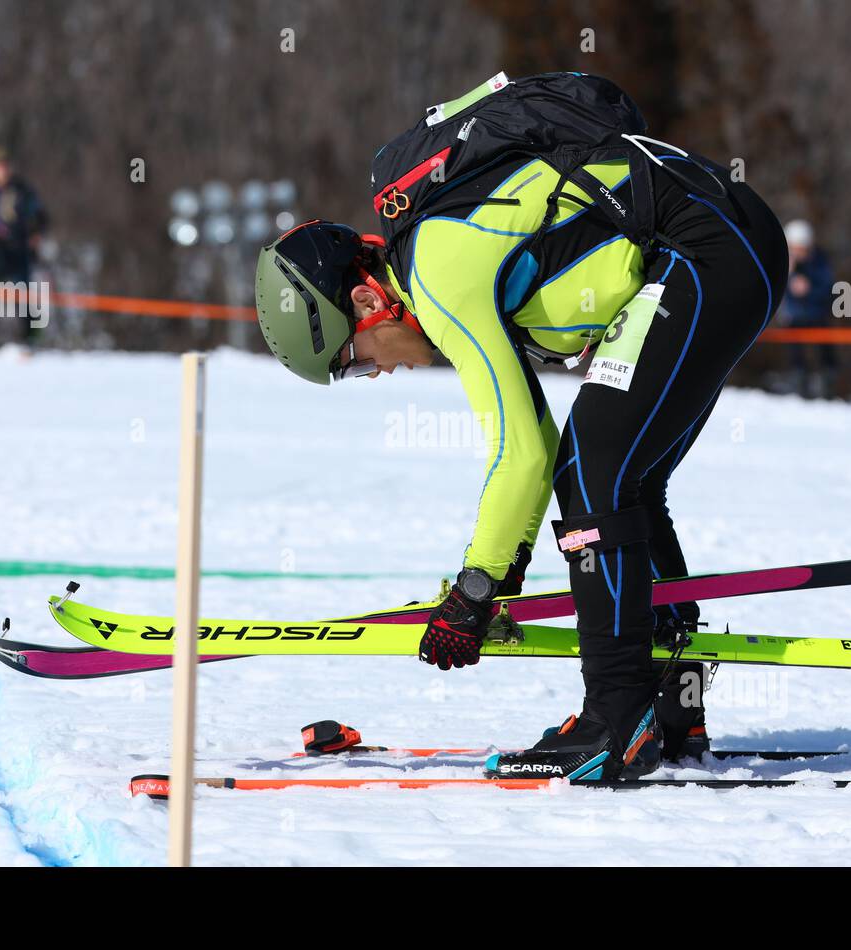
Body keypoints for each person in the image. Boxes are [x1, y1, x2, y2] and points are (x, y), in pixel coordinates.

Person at [254, 72, 787, 781]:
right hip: (724, 239)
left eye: (353, 362)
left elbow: (522, 451)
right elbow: (531, 436)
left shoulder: (437, 274)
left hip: (708, 249)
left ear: (364, 300)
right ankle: (670, 706)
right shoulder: (437, 248)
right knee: (621, 475)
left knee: (596, 465)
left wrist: (475, 592)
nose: (375, 375)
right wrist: (496, 575)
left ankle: (616, 717)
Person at [0, 147, 49, 349]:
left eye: (4, 167)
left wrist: (35, 234)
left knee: (22, 294)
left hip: (18, 249)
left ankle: (30, 339)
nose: (1, 172)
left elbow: (40, 217)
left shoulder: (22, 191)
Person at [778, 219, 837, 397]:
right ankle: (799, 383)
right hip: (793, 316)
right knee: (796, 352)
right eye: (793, 248)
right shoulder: (784, 261)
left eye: (800, 248)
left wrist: (809, 289)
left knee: (825, 350)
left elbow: (827, 287)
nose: (797, 252)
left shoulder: (819, 262)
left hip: (817, 314)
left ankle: (826, 384)